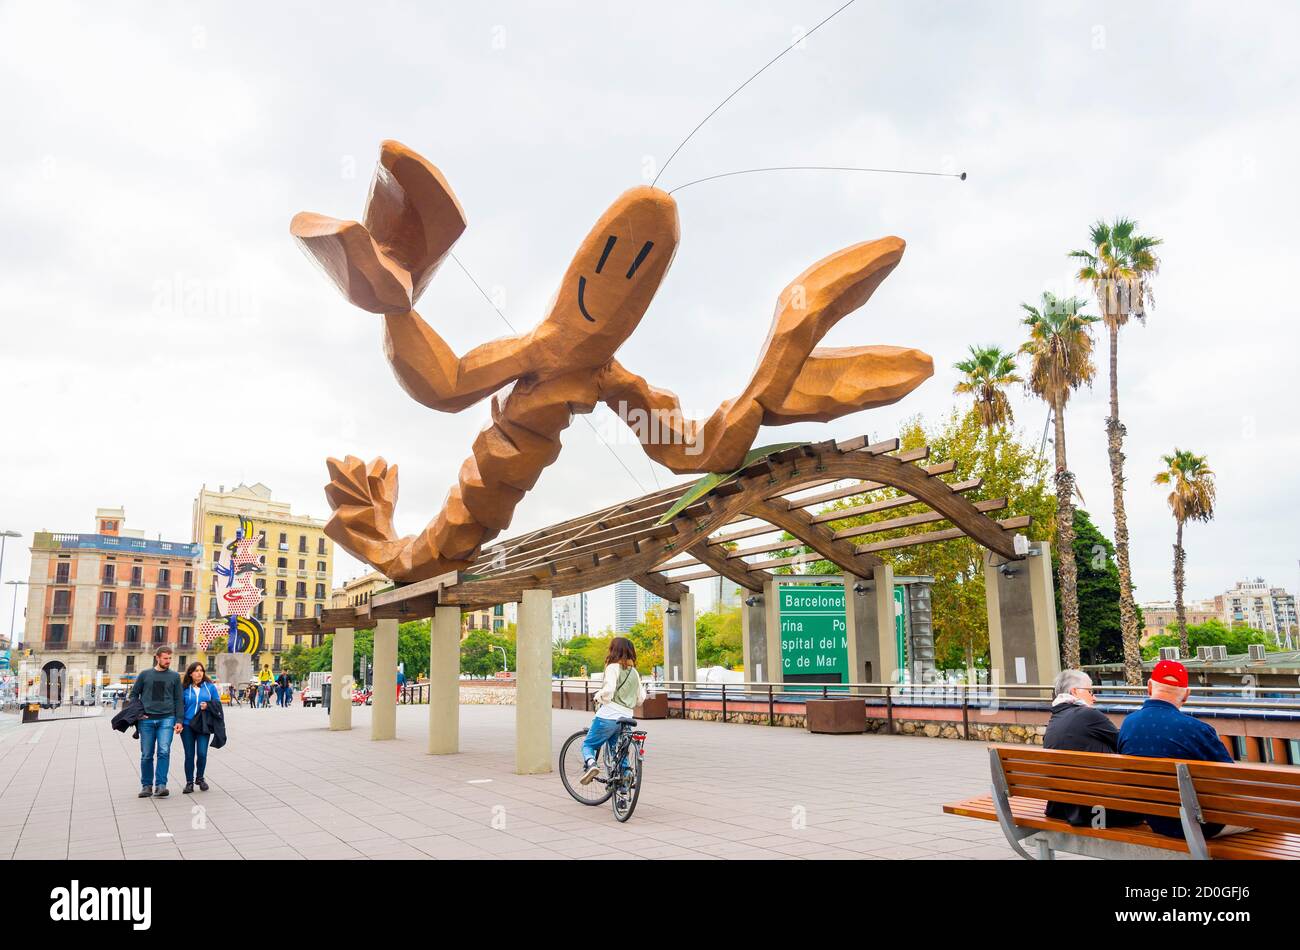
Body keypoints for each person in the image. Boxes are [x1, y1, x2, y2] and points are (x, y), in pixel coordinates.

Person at [1118, 659, 1236, 839]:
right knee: (1270, 815)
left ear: (1149, 687)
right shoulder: (1197, 730)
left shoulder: (1128, 724)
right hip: (1202, 825)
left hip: (1154, 821)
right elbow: (1231, 779)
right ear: (1186, 694)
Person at [1042, 669, 1140, 828]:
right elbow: (1124, 744)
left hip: (1062, 808)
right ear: (1074, 691)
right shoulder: (1087, 715)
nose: (1094, 697)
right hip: (1095, 812)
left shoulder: (1055, 718)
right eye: (1090, 691)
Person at [579, 637, 646, 785]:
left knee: (588, 745)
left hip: (608, 716)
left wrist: (598, 696)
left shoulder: (613, 667)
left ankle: (591, 764)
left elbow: (608, 691)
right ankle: (625, 783)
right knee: (620, 753)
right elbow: (641, 698)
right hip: (627, 717)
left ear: (614, 650)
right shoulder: (634, 672)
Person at [129, 647, 183, 798]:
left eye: (170, 658)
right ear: (157, 658)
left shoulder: (174, 676)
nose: (168, 661)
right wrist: (139, 714)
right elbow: (133, 695)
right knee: (146, 754)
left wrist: (179, 720)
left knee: (164, 751)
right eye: (165, 658)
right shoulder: (145, 675)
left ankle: (161, 786)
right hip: (146, 720)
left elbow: (179, 699)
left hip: (167, 718)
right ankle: (146, 786)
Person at [179, 662, 221, 794]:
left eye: (201, 670)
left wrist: (208, 706)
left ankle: (200, 778)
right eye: (196, 671)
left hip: (203, 725)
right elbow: (179, 707)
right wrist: (178, 722)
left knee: (202, 754)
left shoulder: (210, 687)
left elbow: (217, 704)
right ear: (190, 673)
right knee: (189, 755)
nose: (199, 673)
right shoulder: (184, 689)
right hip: (187, 726)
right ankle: (189, 783)